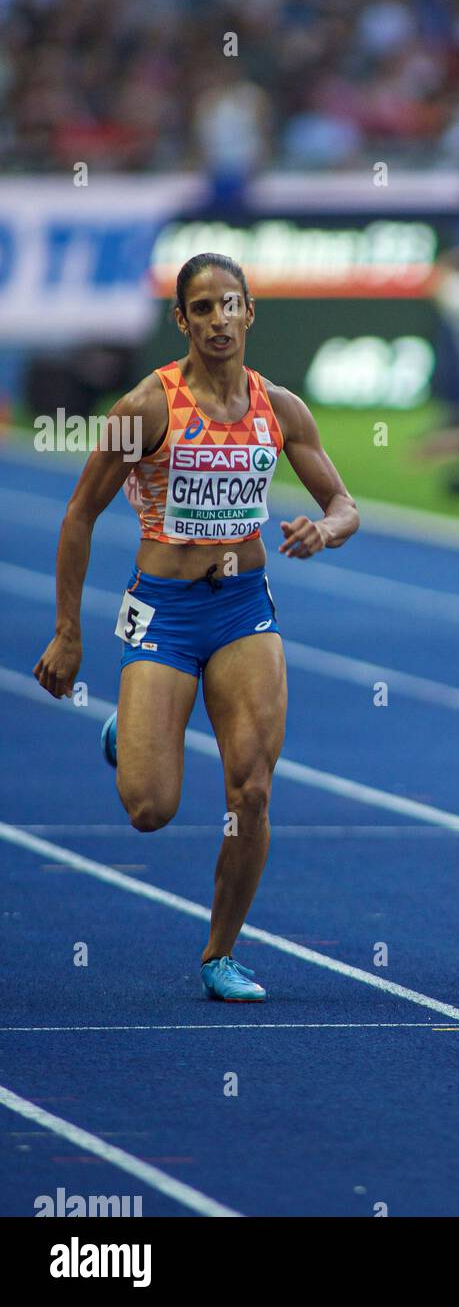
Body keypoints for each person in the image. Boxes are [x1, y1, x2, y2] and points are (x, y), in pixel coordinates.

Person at [33, 252, 359, 1002]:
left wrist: (326, 531)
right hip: (166, 613)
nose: (219, 320)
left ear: (251, 313)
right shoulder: (146, 408)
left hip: (245, 609)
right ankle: (129, 730)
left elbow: (344, 502)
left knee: (251, 790)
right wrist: (67, 633)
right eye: (203, 308)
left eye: (231, 305)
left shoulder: (279, 407)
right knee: (151, 809)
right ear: (181, 321)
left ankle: (220, 953)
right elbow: (80, 514)